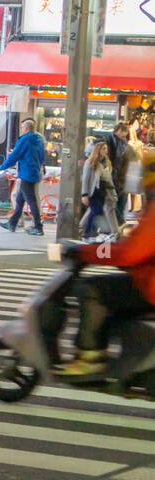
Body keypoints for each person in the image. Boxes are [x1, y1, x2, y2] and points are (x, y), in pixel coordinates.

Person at [57, 150, 155, 377]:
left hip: (149, 287)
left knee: (90, 289)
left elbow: (130, 254)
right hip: (146, 278)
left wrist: (87, 252)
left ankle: (90, 356)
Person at [0, 118, 47, 236]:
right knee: (20, 199)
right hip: (34, 172)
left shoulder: (25, 139)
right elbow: (42, 156)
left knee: (32, 201)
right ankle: (12, 223)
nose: (21, 130)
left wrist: (3, 167)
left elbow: (15, 155)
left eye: (22, 128)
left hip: (26, 173)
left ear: (25, 128)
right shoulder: (39, 140)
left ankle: (38, 227)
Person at [80, 140, 118, 240]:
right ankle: (88, 233)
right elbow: (85, 179)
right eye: (103, 148)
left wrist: (113, 193)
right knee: (95, 212)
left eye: (106, 148)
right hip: (94, 191)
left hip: (104, 191)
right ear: (98, 149)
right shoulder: (90, 162)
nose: (106, 151)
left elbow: (109, 180)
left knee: (96, 212)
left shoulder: (107, 162)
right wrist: (84, 194)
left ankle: (88, 232)